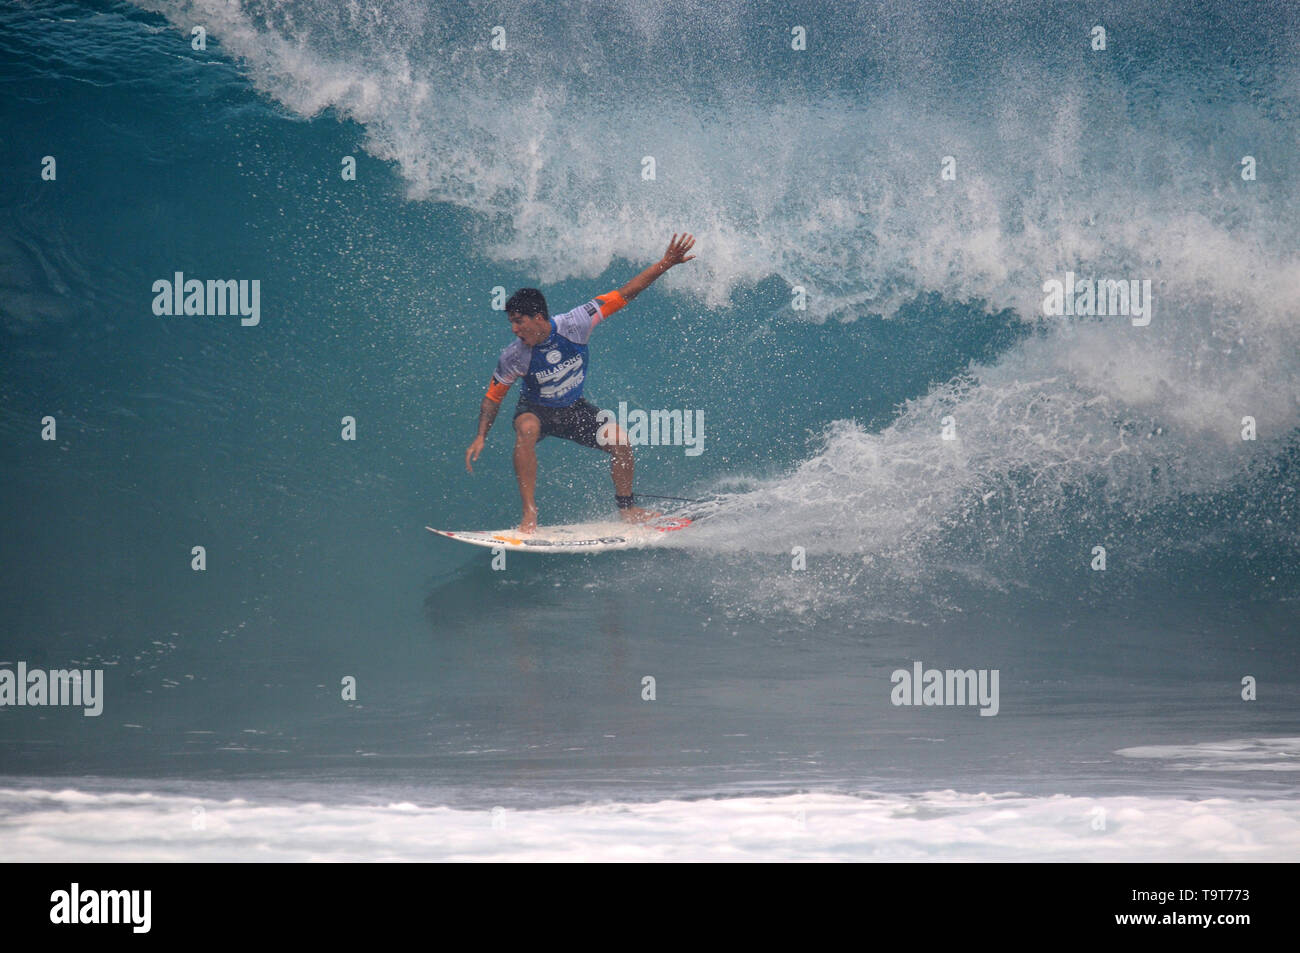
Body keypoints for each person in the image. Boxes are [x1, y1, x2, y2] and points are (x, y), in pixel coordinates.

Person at [465, 233, 697, 533]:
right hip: (536, 410)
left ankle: (627, 509)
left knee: (621, 441)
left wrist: (665, 264)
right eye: (511, 321)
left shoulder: (577, 322)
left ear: (538, 317)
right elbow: (493, 397)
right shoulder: (514, 356)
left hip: (574, 409)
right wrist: (481, 435)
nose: (514, 329)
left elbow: (625, 293)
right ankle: (530, 514)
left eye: (519, 321)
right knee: (526, 430)